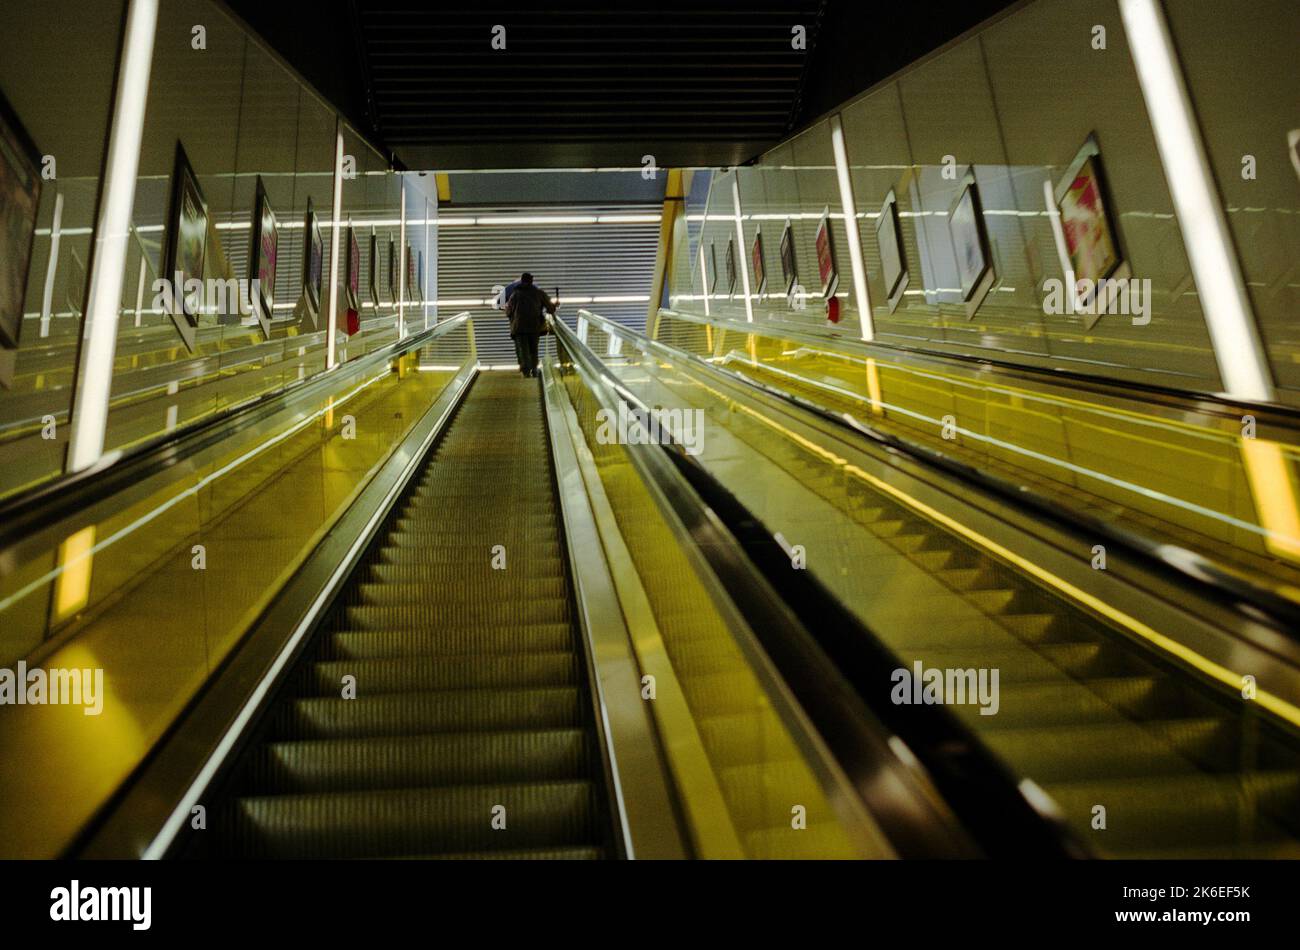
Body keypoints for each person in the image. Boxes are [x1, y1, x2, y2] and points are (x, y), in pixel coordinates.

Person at [505, 273, 556, 378]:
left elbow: (508, 312)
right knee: (533, 349)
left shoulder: (515, 294)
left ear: (522, 281)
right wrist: (554, 306)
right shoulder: (539, 293)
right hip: (534, 326)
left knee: (523, 349)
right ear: (531, 281)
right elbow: (550, 309)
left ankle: (526, 372)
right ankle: (534, 370)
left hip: (519, 327)